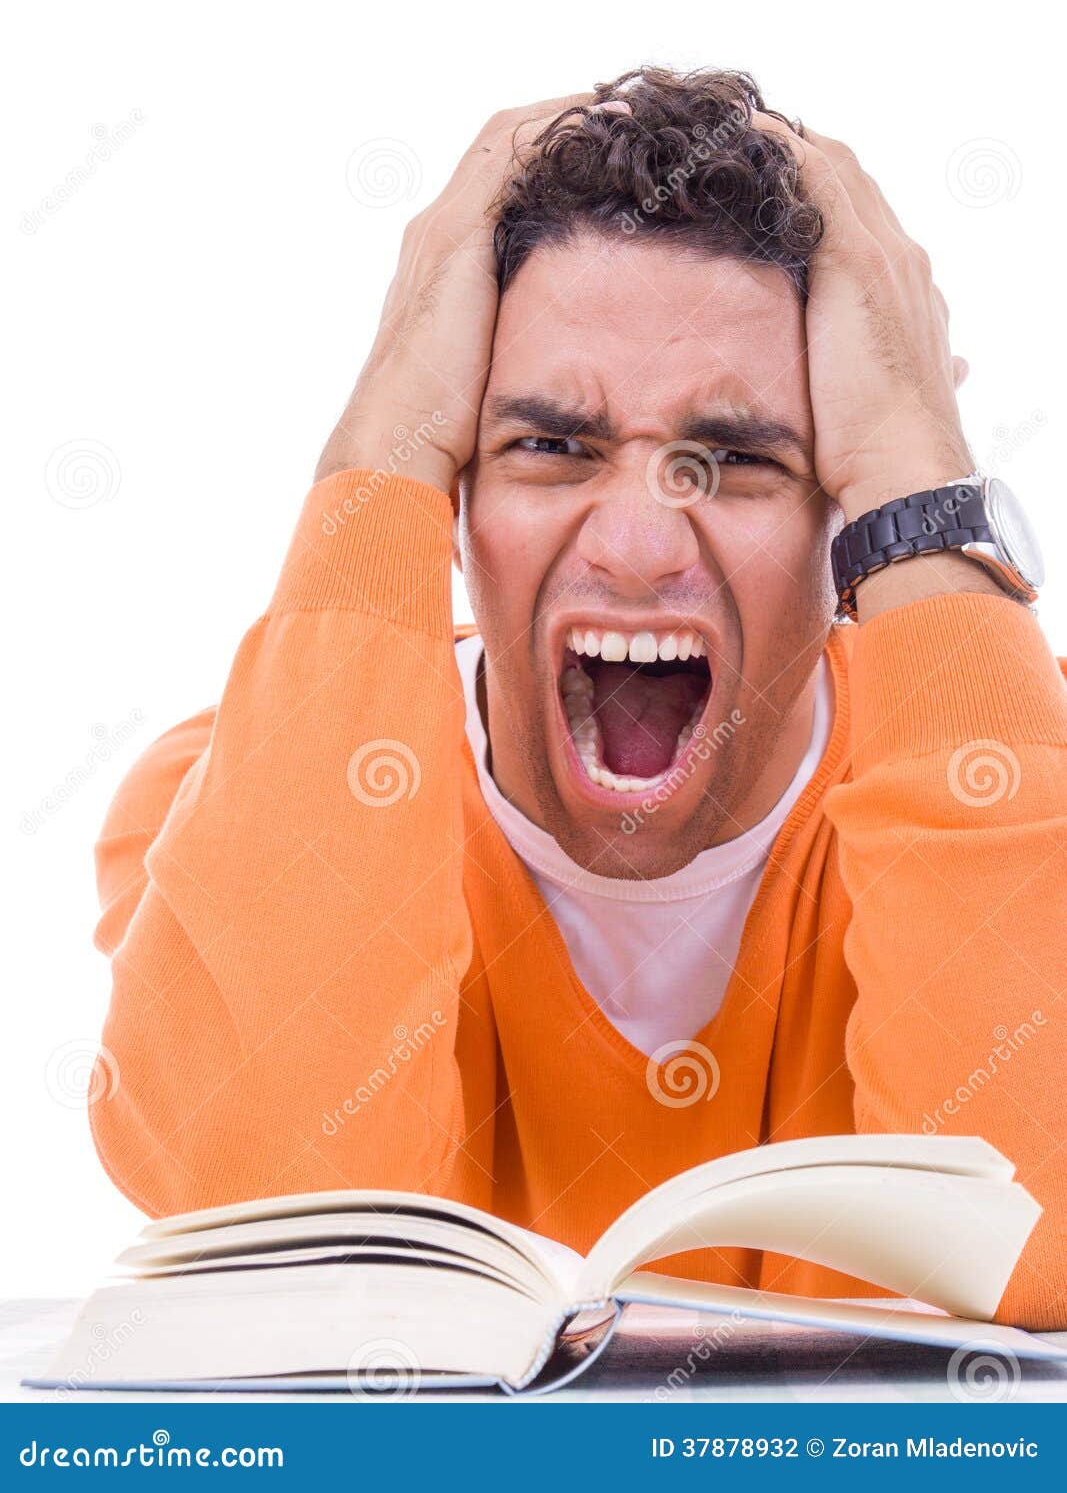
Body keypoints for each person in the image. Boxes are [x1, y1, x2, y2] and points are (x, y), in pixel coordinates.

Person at [90, 69, 1067, 1328]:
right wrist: (377, 446)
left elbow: (1046, 1238)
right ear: (453, 498)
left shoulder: (1008, 773)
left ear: (840, 510)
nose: (637, 545)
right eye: (547, 447)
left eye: (739, 460)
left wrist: (915, 480)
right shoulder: (217, 801)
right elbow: (283, 1258)